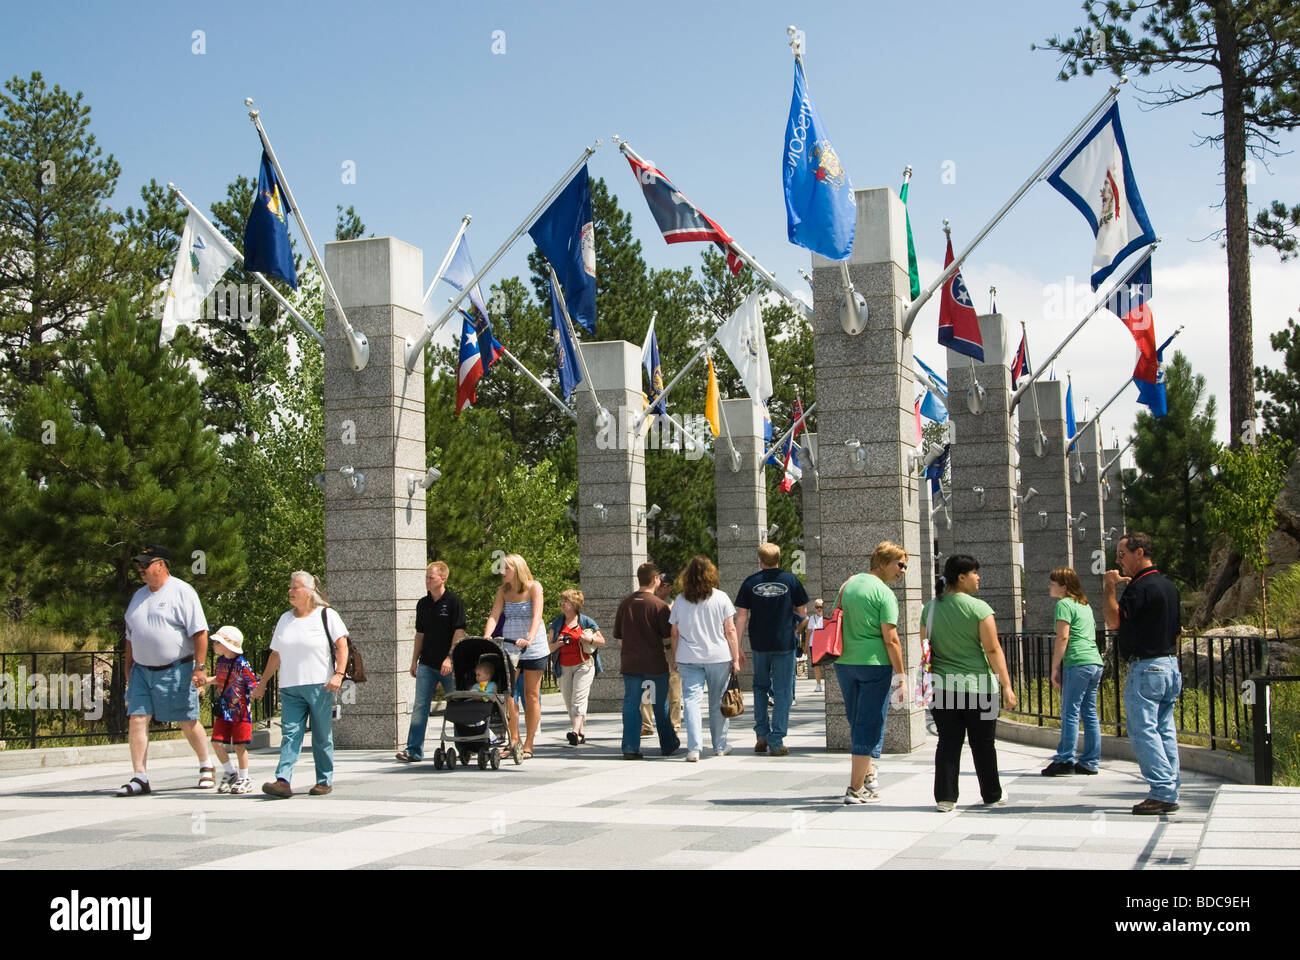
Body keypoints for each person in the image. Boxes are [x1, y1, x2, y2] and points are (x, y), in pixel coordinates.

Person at [117, 544, 214, 797]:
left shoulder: (182, 591)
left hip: (176, 669)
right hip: (141, 671)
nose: (141, 569)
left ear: (161, 564)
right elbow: (130, 637)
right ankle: (140, 776)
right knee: (137, 718)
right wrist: (128, 670)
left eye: (146, 564)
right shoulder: (138, 597)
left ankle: (206, 765)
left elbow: (200, 632)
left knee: (186, 719)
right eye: (139, 564)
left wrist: (200, 668)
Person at [923, 555, 1017, 812]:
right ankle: (992, 793)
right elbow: (993, 650)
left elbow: (925, 648)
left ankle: (945, 797)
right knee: (983, 744)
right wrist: (1007, 685)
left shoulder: (929, 609)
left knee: (948, 742)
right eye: (975, 573)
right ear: (961, 576)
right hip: (979, 688)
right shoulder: (980, 609)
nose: (978, 577)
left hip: (943, 687)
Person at [1104, 532, 1182, 815]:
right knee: (1165, 729)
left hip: (1146, 667)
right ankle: (1170, 785)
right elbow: (1177, 632)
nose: (1118, 561)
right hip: (1169, 664)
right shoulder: (1168, 586)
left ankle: (1162, 791)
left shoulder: (1138, 588)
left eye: (1122, 554)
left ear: (1139, 553)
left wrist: (1109, 587)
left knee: (1143, 730)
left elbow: (1113, 621)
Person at [251, 571, 348, 798]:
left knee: (321, 734)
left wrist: (339, 674)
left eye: (295, 588)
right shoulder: (285, 619)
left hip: (319, 685)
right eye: (290, 587)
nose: (290, 591)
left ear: (308, 592)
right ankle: (283, 780)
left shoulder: (326, 615)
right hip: (290, 686)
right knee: (290, 733)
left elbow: (342, 646)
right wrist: (263, 682)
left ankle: (324, 780)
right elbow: (276, 654)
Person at [832, 542, 908, 804]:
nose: (903, 571)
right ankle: (855, 788)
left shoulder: (848, 584)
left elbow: (836, 618)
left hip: (844, 662)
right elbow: (891, 639)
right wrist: (901, 675)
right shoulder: (885, 594)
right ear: (884, 562)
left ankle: (868, 774)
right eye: (900, 565)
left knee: (856, 719)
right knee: (869, 723)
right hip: (875, 664)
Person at [734, 543, 808, 756]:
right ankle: (776, 740)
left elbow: (741, 616)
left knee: (759, 688)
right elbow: (802, 612)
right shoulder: (790, 580)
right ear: (779, 558)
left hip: (759, 644)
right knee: (783, 691)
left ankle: (761, 734)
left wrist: (737, 646)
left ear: (760, 559)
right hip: (784, 643)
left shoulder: (751, 582)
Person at [670, 555, 743, 762]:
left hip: (688, 656)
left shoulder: (680, 600)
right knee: (717, 700)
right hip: (718, 656)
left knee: (691, 701)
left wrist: (674, 657)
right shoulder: (721, 598)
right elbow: (730, 630)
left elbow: (674, 633)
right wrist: (735, 658)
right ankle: (719, 745)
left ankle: (694, 748)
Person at [396, 561, 467, 763]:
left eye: (431, 577)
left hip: (448, 665)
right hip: (427, 663)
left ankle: (464, 747)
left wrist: (450, 658)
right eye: (426, 577)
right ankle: (414, 749)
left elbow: (459, 631)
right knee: (420, 706)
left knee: (457, 704)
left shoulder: (454, 602)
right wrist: (413, 661)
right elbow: (420, 634)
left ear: (442, 579)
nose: (427, 581)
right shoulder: (423, 604)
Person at [1041, 568, 1104, 777]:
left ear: (1064, 586)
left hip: (1077, 661)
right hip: (1094, 661)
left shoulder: (1064, 604)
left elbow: (1063, 638)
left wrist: (1055, 667)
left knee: (1070, 711)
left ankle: (1065, 759)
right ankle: (1090, 761)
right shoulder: (1084, 605)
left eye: (1053, 583)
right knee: (1089, 712)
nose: (1049, 586)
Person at [484, 554, 546, 759]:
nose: (502, 572)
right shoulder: (503, 591)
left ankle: (528, 743)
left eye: (506, 568)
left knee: (531, 694)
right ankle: (514, 740)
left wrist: (529, 637)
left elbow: (537, 615)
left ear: (517, 569)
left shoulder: (533, 587)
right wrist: (487, 636)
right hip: (510, 647)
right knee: (508, 695)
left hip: (533, 645)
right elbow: (494, 615)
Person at [615, 562, 679, 760]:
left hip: (630, 662)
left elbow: (619, 638)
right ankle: (668, 744)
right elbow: (669, 636)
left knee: (631, 704)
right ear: (655, 580)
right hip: (654, 662)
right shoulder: (659, 605)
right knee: (661, 704)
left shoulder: (625, 603)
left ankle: (630, 747)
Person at [206, 625, 258, 795]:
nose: (213, 644)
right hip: (224, 711)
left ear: (227, 645)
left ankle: (244, 777)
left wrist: (256, 693)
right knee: (216, 741)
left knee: (239, 745)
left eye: (216, 642)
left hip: (240, 711)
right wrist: (207, 681)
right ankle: (230, 772)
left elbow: (253, 684)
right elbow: (220, 678)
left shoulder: (242, 664)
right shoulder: (220, 662)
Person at [548, 589, 604, 746]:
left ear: (574, 605)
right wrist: (557, 643)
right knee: (568, 700)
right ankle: (579, 733)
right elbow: (549, 647)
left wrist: (589, 638)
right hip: (564, 667)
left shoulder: (586, 621)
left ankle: (574, 731)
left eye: (566, 601)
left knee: (578, 698)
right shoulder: (557, 623)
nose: (563, 604)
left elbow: (601, 640)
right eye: (562, 601)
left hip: (584, 665)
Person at [639, 572, 683, 736]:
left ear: (669, 587)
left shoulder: (675, 604)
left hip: (670, 649)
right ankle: (647, 724)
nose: (659, 588)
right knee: (647, 688)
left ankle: (674, 725)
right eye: (659, 584)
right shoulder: (649, 603)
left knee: (674, 690)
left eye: (663, 585)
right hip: (652, 650)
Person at [806, 599, 826, 692]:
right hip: (814, 644)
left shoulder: (826, 617)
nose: (819, 609)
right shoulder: (812, 618)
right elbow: (809, 632)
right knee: (816, 665)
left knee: (826, 664)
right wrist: (805, 647)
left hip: (825, 644)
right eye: (817, 607)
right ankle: (818, 684)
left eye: (820, 607)